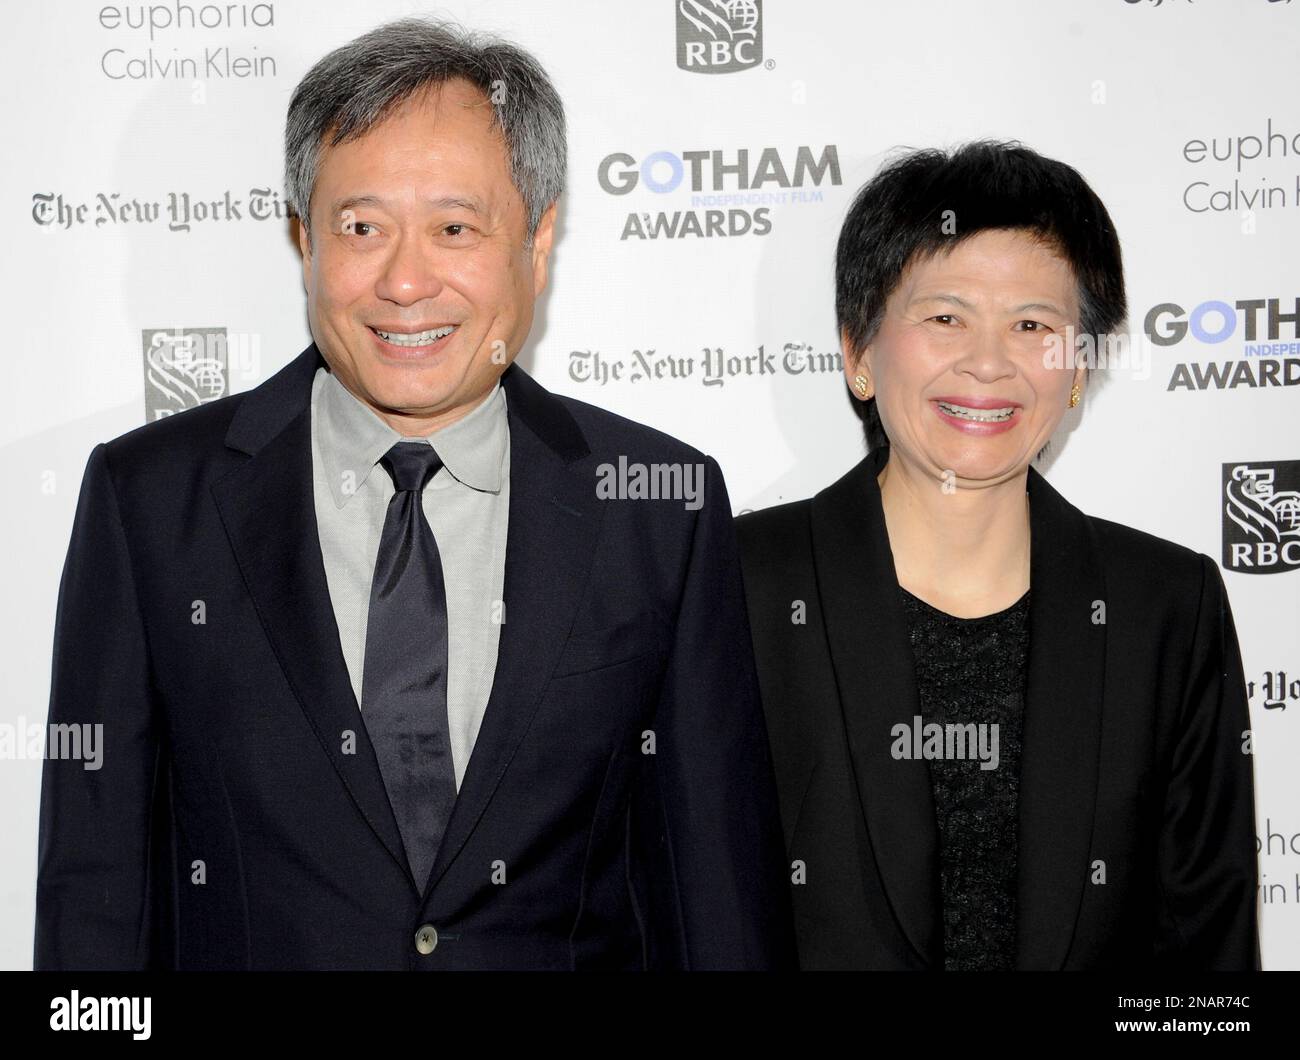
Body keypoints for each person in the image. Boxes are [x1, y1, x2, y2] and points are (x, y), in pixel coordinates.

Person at [34, 16, 794, 971]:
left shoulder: (657, 507)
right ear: (303, 237)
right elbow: (94, 893)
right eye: (361, 227)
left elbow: (715, 893)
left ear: (538, 240)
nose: (403, 279)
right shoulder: (149, 501)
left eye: (453, 227)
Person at [736, 141, 1260, 970]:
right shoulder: (737, 589)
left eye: (1032, 325)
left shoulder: (1165, 607)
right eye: (945, 317)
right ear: (858, 353)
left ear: (1079, 368)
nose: (988, 362)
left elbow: (1206, 951)